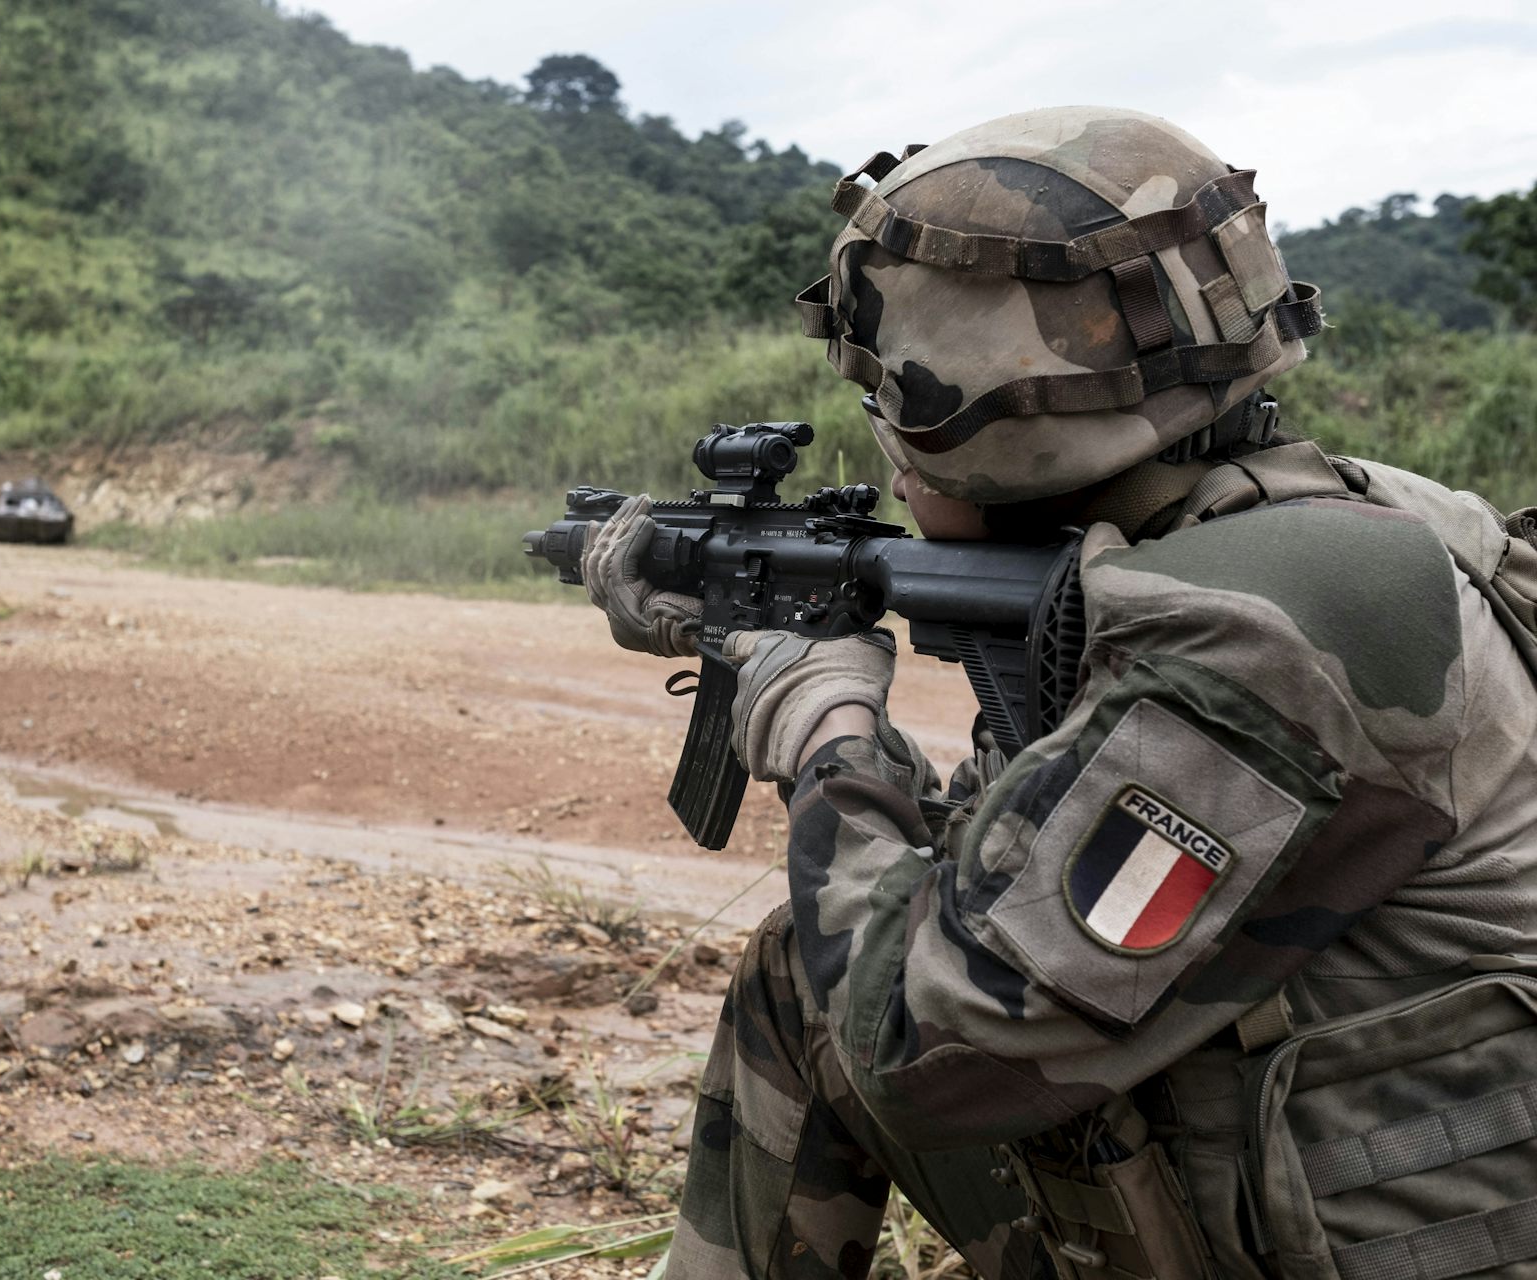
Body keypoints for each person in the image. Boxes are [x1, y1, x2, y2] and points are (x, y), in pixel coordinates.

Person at [583, 107, 1537, 1280]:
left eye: (892, 399)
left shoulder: (1262, 634)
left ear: (964, 420)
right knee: (800, 968)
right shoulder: (1330, 523)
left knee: (837, 993)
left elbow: (927, 1049)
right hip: (1297, 1174)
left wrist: (820, 718)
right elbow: (1018, 883)